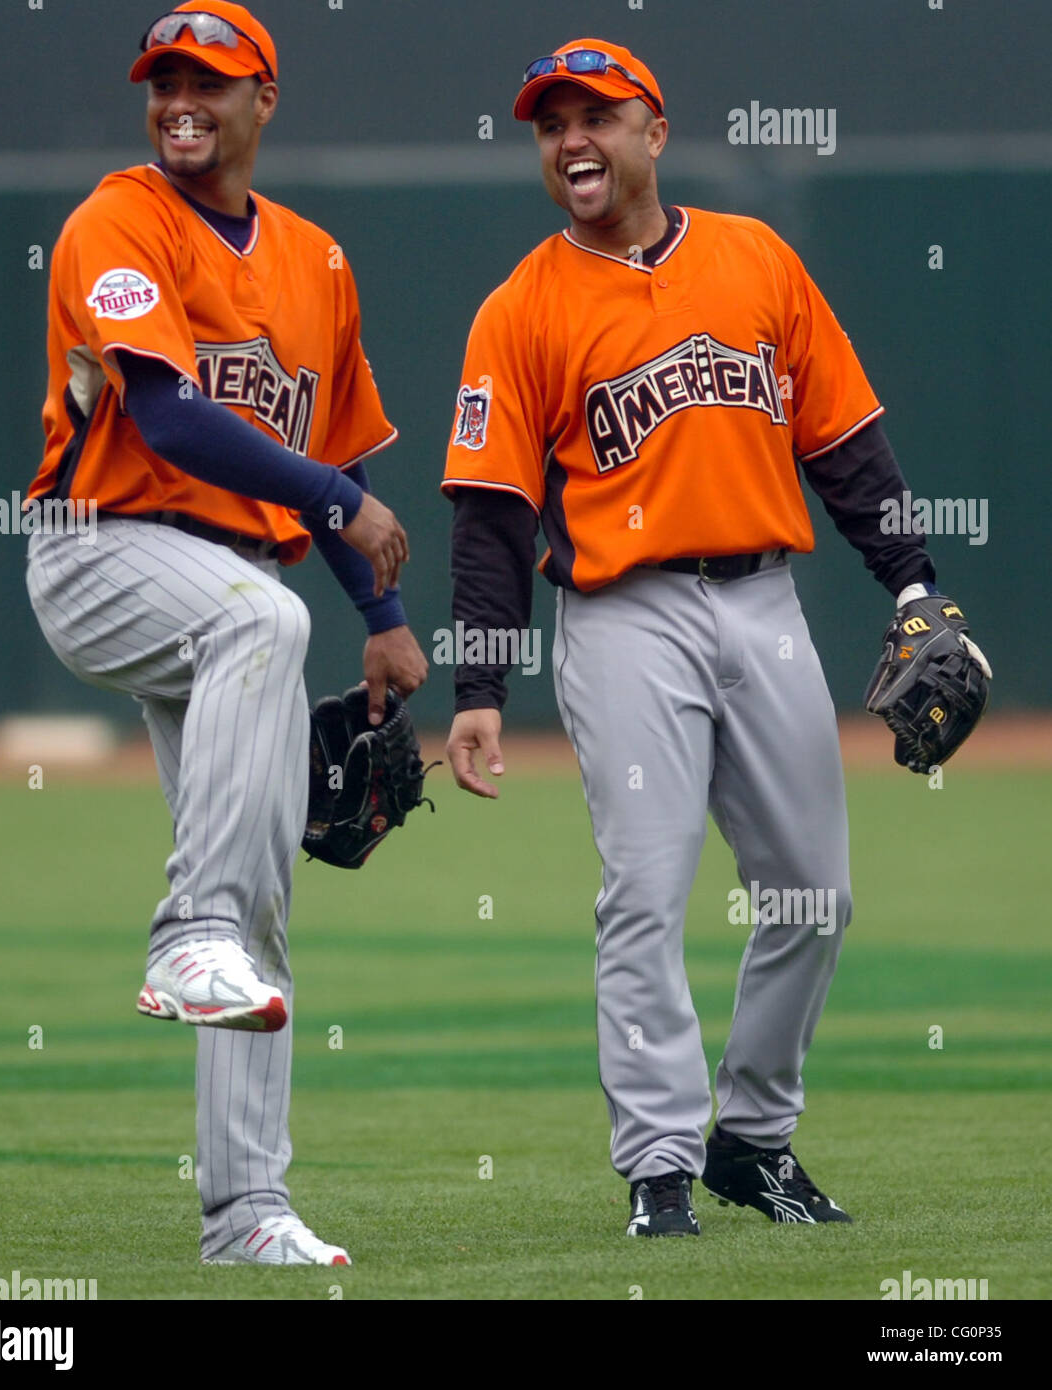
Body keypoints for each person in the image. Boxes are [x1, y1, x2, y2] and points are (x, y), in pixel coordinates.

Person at [442, 39, 987, 1235]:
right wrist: (477, 678)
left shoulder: (753, 259)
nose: (571, 139)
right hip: (621, 615)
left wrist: (911, 586)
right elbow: (491, 511)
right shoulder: (521, 305)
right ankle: (653, 1170)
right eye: (549, 125)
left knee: (811, 896)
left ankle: (750, 1139)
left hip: (760, 599)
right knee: (644, 892)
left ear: (652, 129)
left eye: (594, 115)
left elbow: (844, 444)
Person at [24, 2, 427, 1267]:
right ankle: (184, 928)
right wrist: (338, 509)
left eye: (207, 79)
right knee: (263, 619)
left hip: (234, 593)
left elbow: (339, 447)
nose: (178, 99)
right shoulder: (118, 220)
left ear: (264, 100)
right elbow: (171, 413)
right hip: (103, 548)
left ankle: (245, 1210)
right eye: (162, 80)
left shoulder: (317, 261)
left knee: (262, 904)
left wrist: (388, 624)